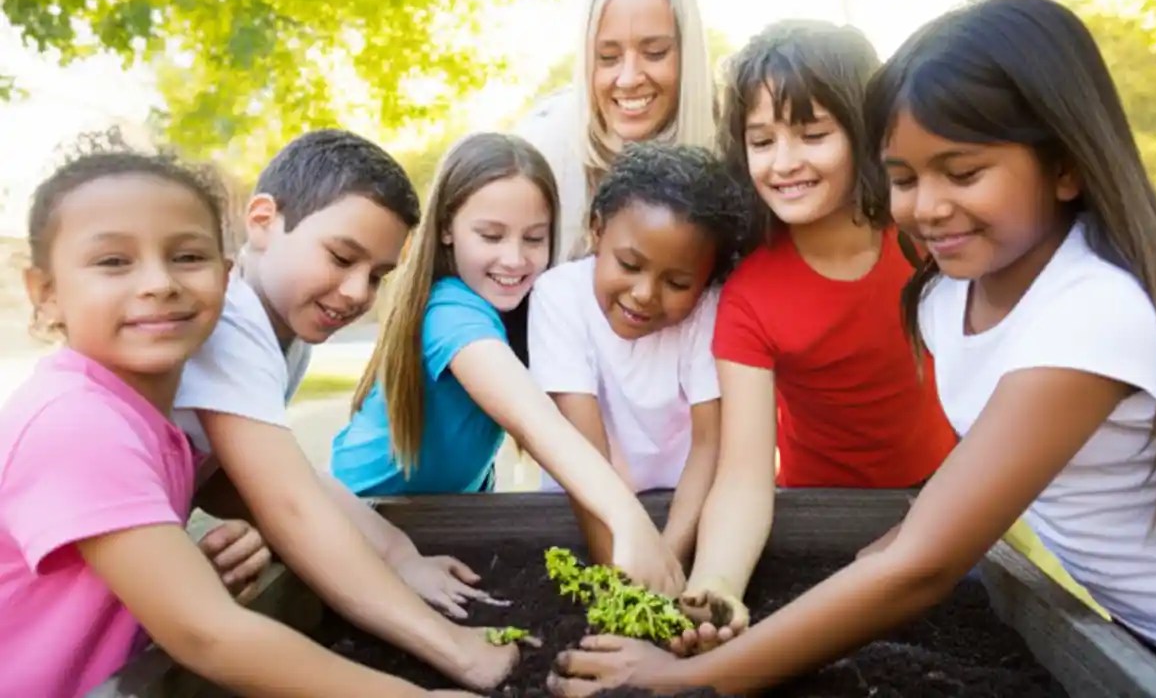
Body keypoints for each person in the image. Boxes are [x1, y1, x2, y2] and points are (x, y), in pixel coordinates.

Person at [547, 0, 1156, 698]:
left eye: (961, 173)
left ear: (1066, 165)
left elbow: (923, 567)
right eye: (905, 177)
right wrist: (742, 584)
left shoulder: (1093, 313)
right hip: (1149, 639)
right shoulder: (947, 287)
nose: (927, 206)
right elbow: (896, 513)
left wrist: (681, 679)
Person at [0, 136, 438, 697]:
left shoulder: (155, 428)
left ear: (224, 276)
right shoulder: (76, 423)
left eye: (187, 257)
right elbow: (210, 636)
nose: (160, 283)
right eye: (113, 261)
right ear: (46, 294)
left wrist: (184, 567)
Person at [171, 129, 518, 692]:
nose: (358, 291)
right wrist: (453, 647)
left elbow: (255, 481)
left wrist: (397, 555)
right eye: (341, 257)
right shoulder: (232, 325)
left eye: (378, 275)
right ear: (263, 221)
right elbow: (292, 509)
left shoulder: (290, 335)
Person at [671, 19, 956, 644]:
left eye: (813, 134)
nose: (784, 162)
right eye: (762, 139)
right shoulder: (750, 295)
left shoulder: (926, 242)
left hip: (946, 506)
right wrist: (717, 580)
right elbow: (745, 473)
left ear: (864, 133)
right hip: (818, 519)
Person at [331, 132, 685, 596]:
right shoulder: (448, 310)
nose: (515, 259)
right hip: (360, 513)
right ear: (446, 229)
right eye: (491, 236)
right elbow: (532, 419)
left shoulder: (525, 310)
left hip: (442, 517)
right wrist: (629, 520)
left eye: (534, 238)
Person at [528, 142, 749, 569]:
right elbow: (584, 452)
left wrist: (668, 557)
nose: (645, 294)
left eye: (678, 283)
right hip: (580, 508)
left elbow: (710, 444)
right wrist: (620, 577)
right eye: (629, 265)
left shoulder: (709, 309)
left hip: (680, 508)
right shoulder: (559, 297)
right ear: (596, 230)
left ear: (705, 281)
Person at [515, 0, 717, 262]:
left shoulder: (735, 151)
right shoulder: (543, 152)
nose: (629, 78)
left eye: (655, 53)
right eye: (608, 57)